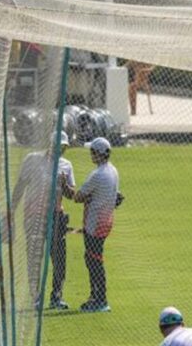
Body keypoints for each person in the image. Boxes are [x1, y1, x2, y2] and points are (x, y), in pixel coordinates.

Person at [12, 132, 76, 309]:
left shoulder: (66, 165)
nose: (61, 150)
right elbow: (20, 185)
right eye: (58, 146)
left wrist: (64, 185)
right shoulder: (32, 159)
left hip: (56, 217)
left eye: (64, 147)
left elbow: (71, 194)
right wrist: (11, 210)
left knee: (59, 259)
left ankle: (56, 296)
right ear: (50, 144)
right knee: (34, 258)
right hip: (34, 216)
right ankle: (35, 297)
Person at [62, 136, 120, 313]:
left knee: (94, 261)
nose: (90, 155)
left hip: (95, 223)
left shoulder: (97, 175)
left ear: (98, 154)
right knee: (93, 259)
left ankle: (100, 299)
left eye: (92, 152)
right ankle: (96, 296)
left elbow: (77, 197)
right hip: (106, 221)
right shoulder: (113, 171)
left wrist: (65, 185)